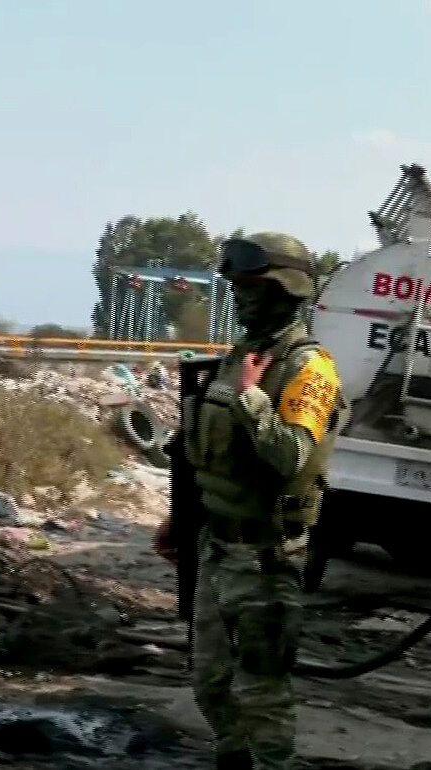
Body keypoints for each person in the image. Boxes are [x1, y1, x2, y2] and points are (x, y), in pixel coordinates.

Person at [154, 232, 343, 770]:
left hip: (264, 559)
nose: (241, 296)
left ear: (290, 290)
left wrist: (247, 395)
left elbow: (289, 456)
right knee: (211, 682)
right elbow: (207, 456)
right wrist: (183, 519)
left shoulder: (309, 369)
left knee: (262, 692)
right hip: (217, 546)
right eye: (236, 285)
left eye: (254, 285)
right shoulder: (245, 356)